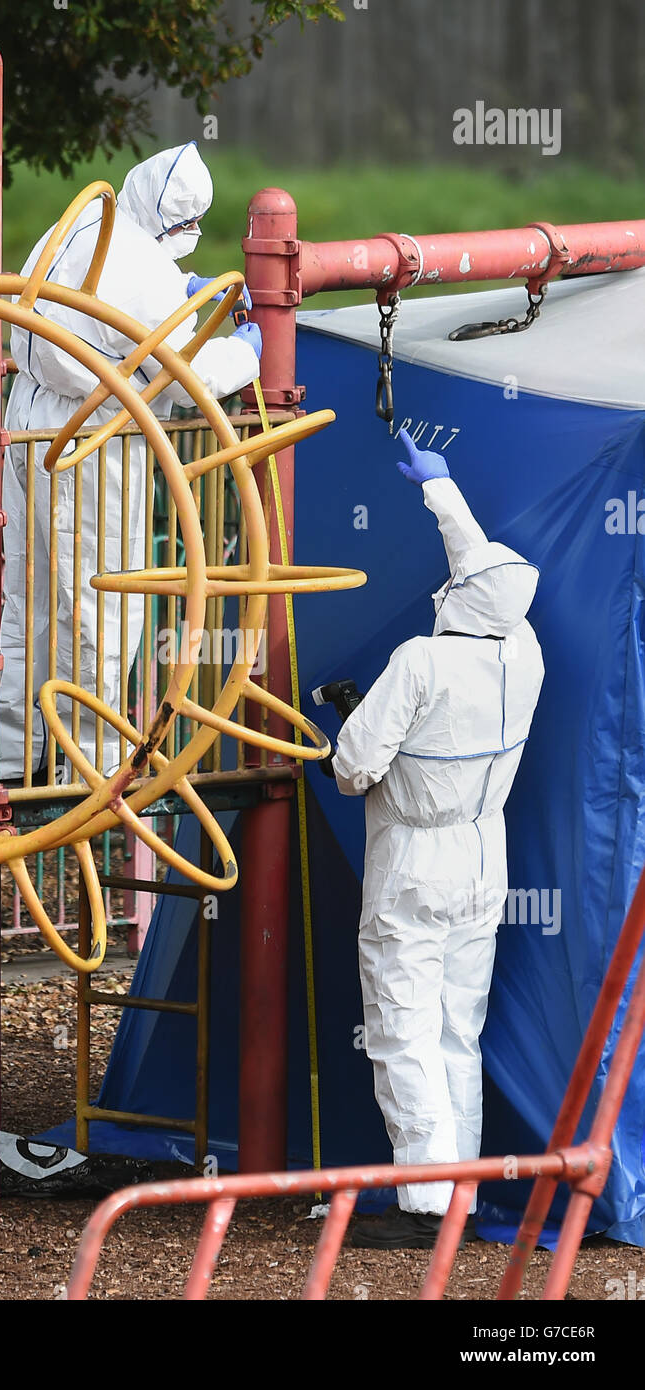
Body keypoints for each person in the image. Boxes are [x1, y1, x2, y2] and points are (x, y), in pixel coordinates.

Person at [333, 428, 544, 1250]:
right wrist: (443, 489)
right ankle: (456, 1190)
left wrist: (355, 729)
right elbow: (485, 573)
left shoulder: (421, 662)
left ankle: (422, 1204)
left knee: (402, 1028)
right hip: (483, 855)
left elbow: (353, 768)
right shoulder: (522, 654)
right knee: (459, 1029)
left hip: (415, 860)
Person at [0, 141, 261, 779]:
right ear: (170, 222)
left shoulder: (87, 221)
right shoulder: (144, 267)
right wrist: (246, 353)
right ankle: (92, 774)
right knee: (101, 606)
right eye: (184, 230)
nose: (186, 241)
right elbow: (181, 375)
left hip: (27, 423)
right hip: (93, 439)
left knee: (26, 604)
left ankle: (6, 763)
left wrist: (182, 295)